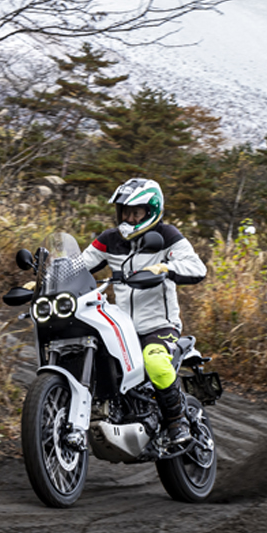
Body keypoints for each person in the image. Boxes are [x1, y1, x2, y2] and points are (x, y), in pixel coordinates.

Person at [80, 178, 207, 446]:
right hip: (121, 324)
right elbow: (79, 264)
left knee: (156, 361)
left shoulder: (167, 237)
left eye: (135, 212)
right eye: (124, 211)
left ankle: (177, 422)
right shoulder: (109, 240)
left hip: (159, 325)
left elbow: (197, 268)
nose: (128, 217)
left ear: (151, 211)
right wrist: (48, 277)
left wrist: (166, 269)